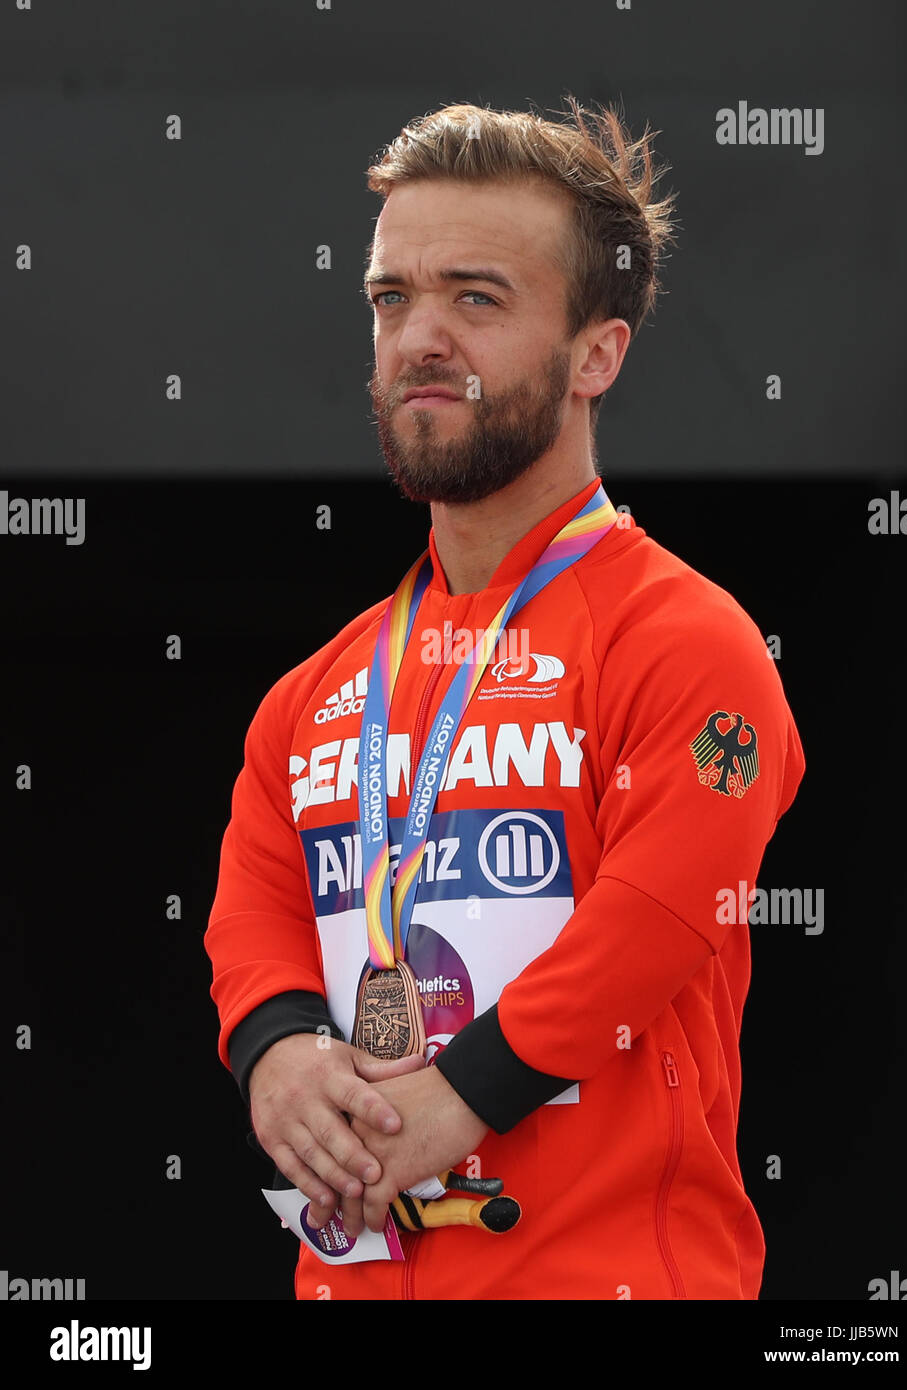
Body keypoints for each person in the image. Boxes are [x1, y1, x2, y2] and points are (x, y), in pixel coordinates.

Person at [204, 97, 806, 1300]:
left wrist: (464, 1093)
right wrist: (273, 1056)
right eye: (391, 299)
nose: (418, 336)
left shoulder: (687, 639)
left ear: (597, 352)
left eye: (476, 298)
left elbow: (658, 918)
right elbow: (253, 907)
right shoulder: (312, 695)